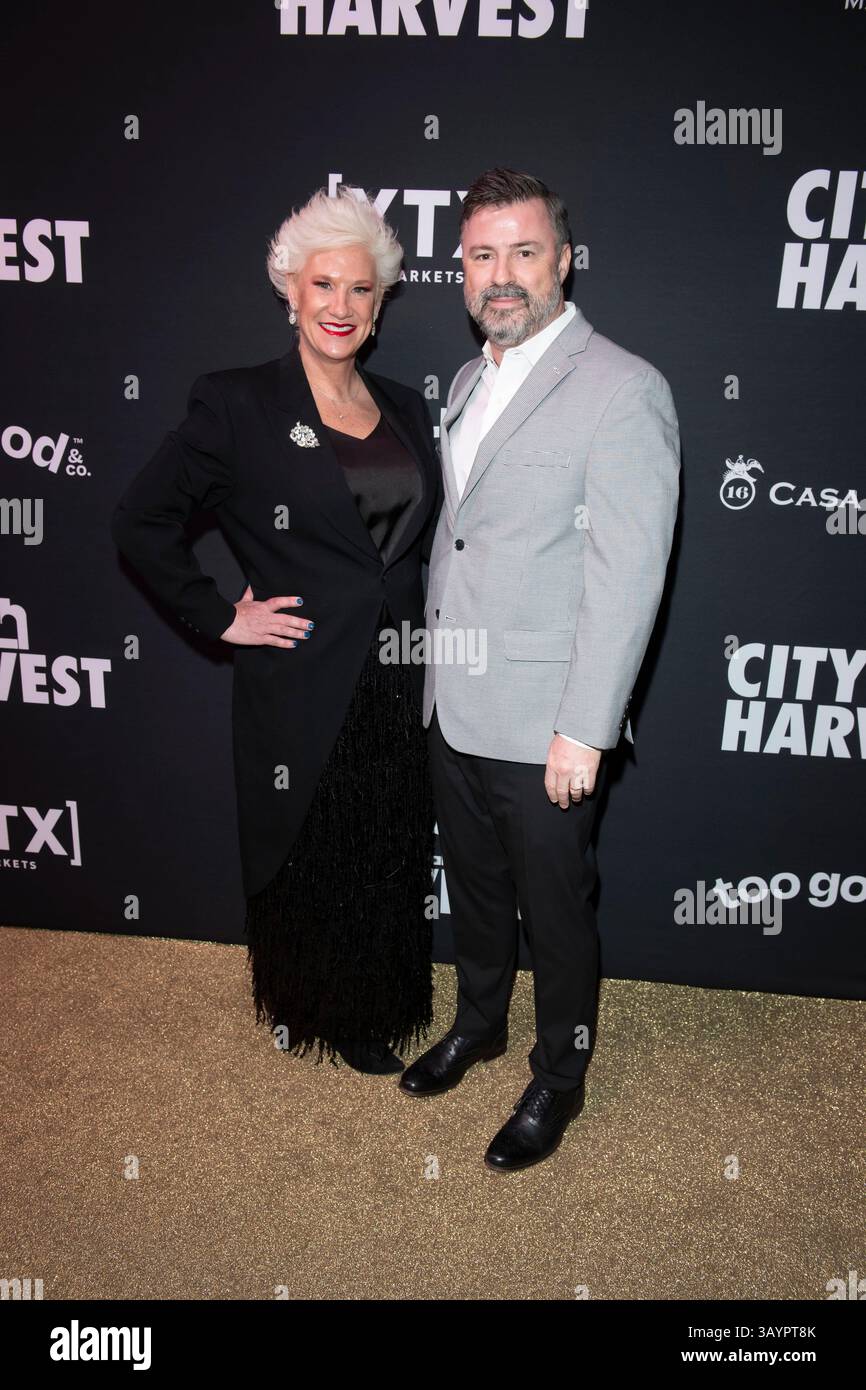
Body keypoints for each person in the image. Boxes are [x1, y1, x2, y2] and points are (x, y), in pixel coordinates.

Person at [111, 186, 442, 1074]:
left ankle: (378, 1006)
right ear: (289, 292)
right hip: (302, 676)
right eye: (323, 285)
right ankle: (311, 1002)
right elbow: (140, 521)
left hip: (403, 675)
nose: (341, 306)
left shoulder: (409, 409)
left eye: (361, 290)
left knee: (385, 843)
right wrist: (222, 615)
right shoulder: (237, 404)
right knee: (312, 838)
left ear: (381, 305)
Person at [399, 167, 681, 1168]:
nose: (501, 273)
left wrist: (585, 726)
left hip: (548, 718)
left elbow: (626, 573)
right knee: (474, 892)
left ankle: (556, 1076)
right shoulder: (471, 380)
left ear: (563, 259)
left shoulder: (622, 387)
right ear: (460, 269)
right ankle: (478, 1023)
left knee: (554, 913)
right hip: (457, 701)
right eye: (480, 255)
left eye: (524, 251)